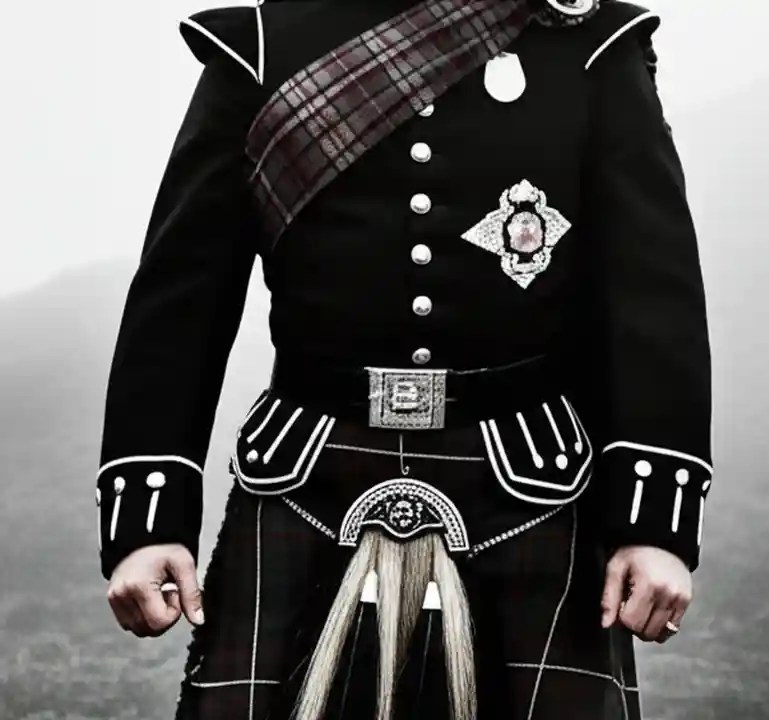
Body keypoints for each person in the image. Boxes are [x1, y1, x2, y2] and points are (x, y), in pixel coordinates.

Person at [93, 0, 715, 718]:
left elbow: (650, 291)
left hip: (526, 480)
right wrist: (149, 523)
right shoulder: (261, 50)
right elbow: (183, 297)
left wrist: (653, 527)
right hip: (307, 471)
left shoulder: (590, 48)